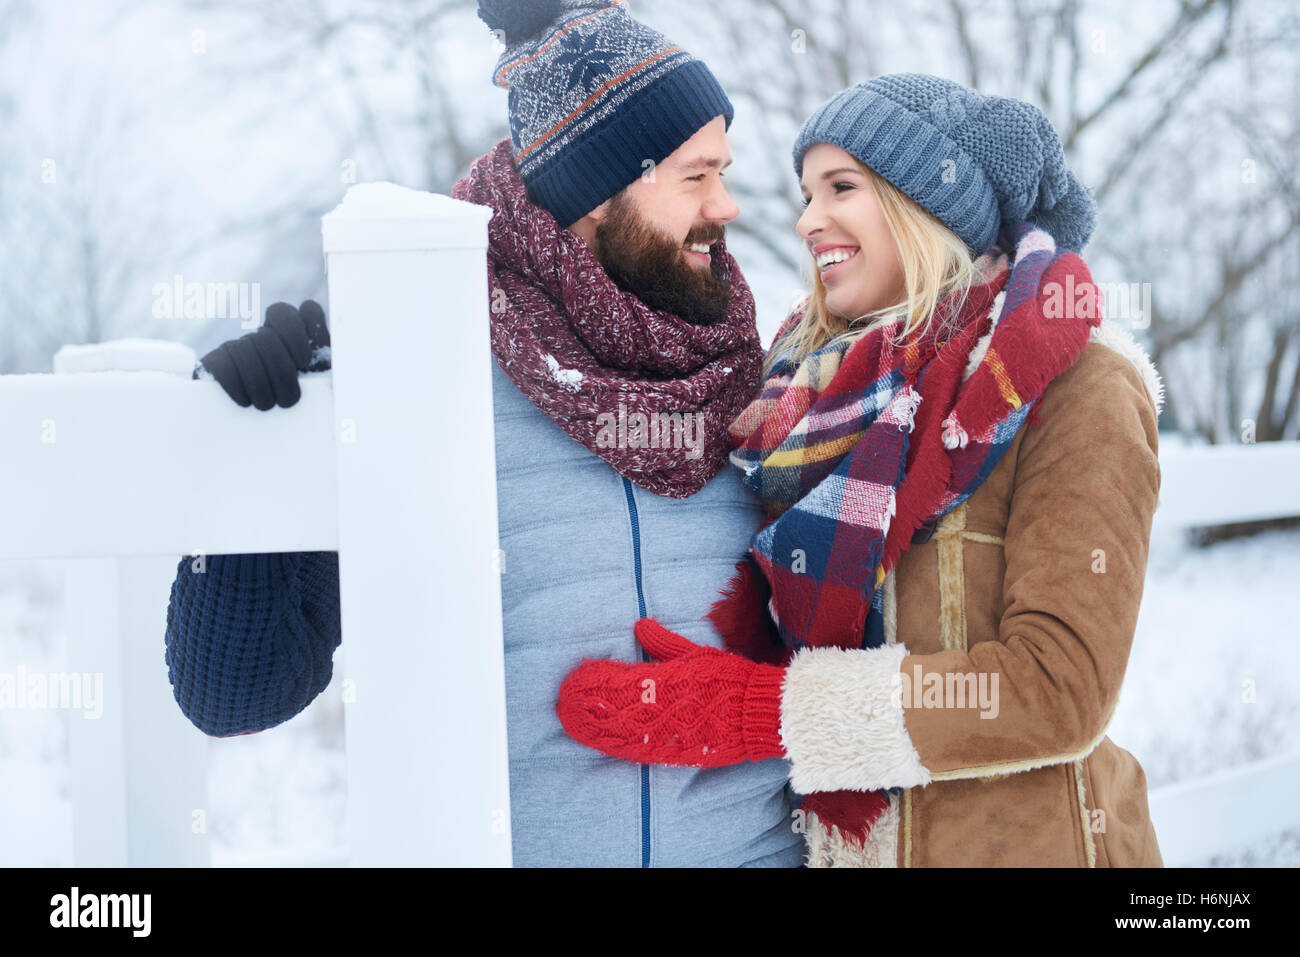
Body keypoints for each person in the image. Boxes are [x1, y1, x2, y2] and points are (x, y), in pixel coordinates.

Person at [164, 0, 804, 867]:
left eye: (723, 170)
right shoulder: (429, 382)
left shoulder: (757, 393)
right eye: (695, 176)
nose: (724, 205)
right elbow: (231, 693)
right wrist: (254, 462)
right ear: (594, 195)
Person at [556, 73, 1167, 867]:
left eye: (840, 187)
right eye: (806, 194)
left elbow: (1059, 691)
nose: (809, 220)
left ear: (929, 204)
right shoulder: (808, 396)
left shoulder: (1075, 384)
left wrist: (765, 713)